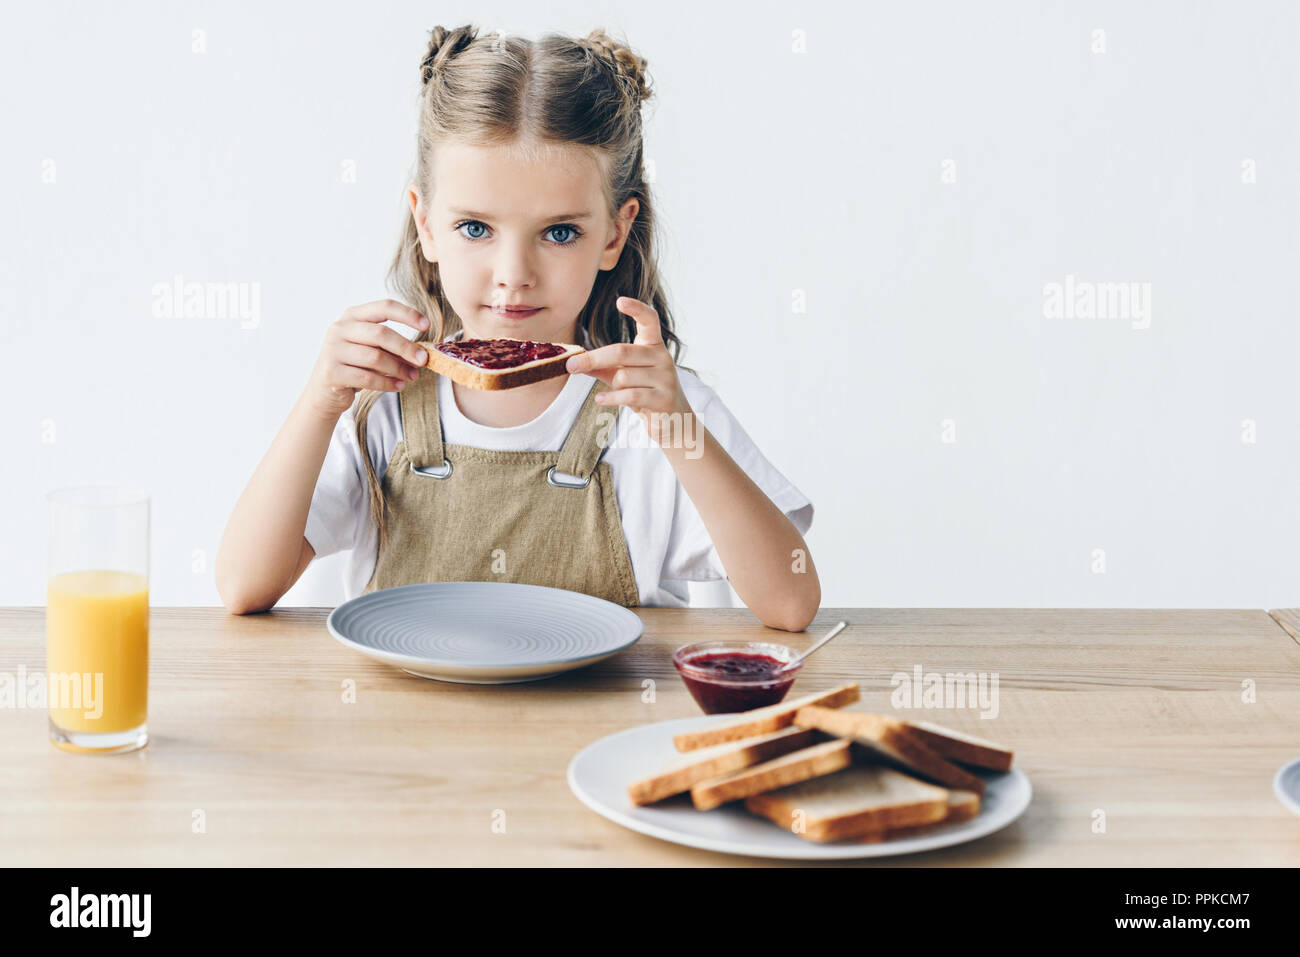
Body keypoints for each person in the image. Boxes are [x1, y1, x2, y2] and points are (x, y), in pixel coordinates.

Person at [216, 25, 819, 630]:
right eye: (476, 229)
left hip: (601, 722)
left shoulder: (658, 409)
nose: (514, 276)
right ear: (425, 225)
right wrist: (320, 403)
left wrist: (676, 426)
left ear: (614, 232)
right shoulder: (383, 407)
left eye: (559, 233)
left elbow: (790, 604)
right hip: (407, 724)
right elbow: (244, 585)